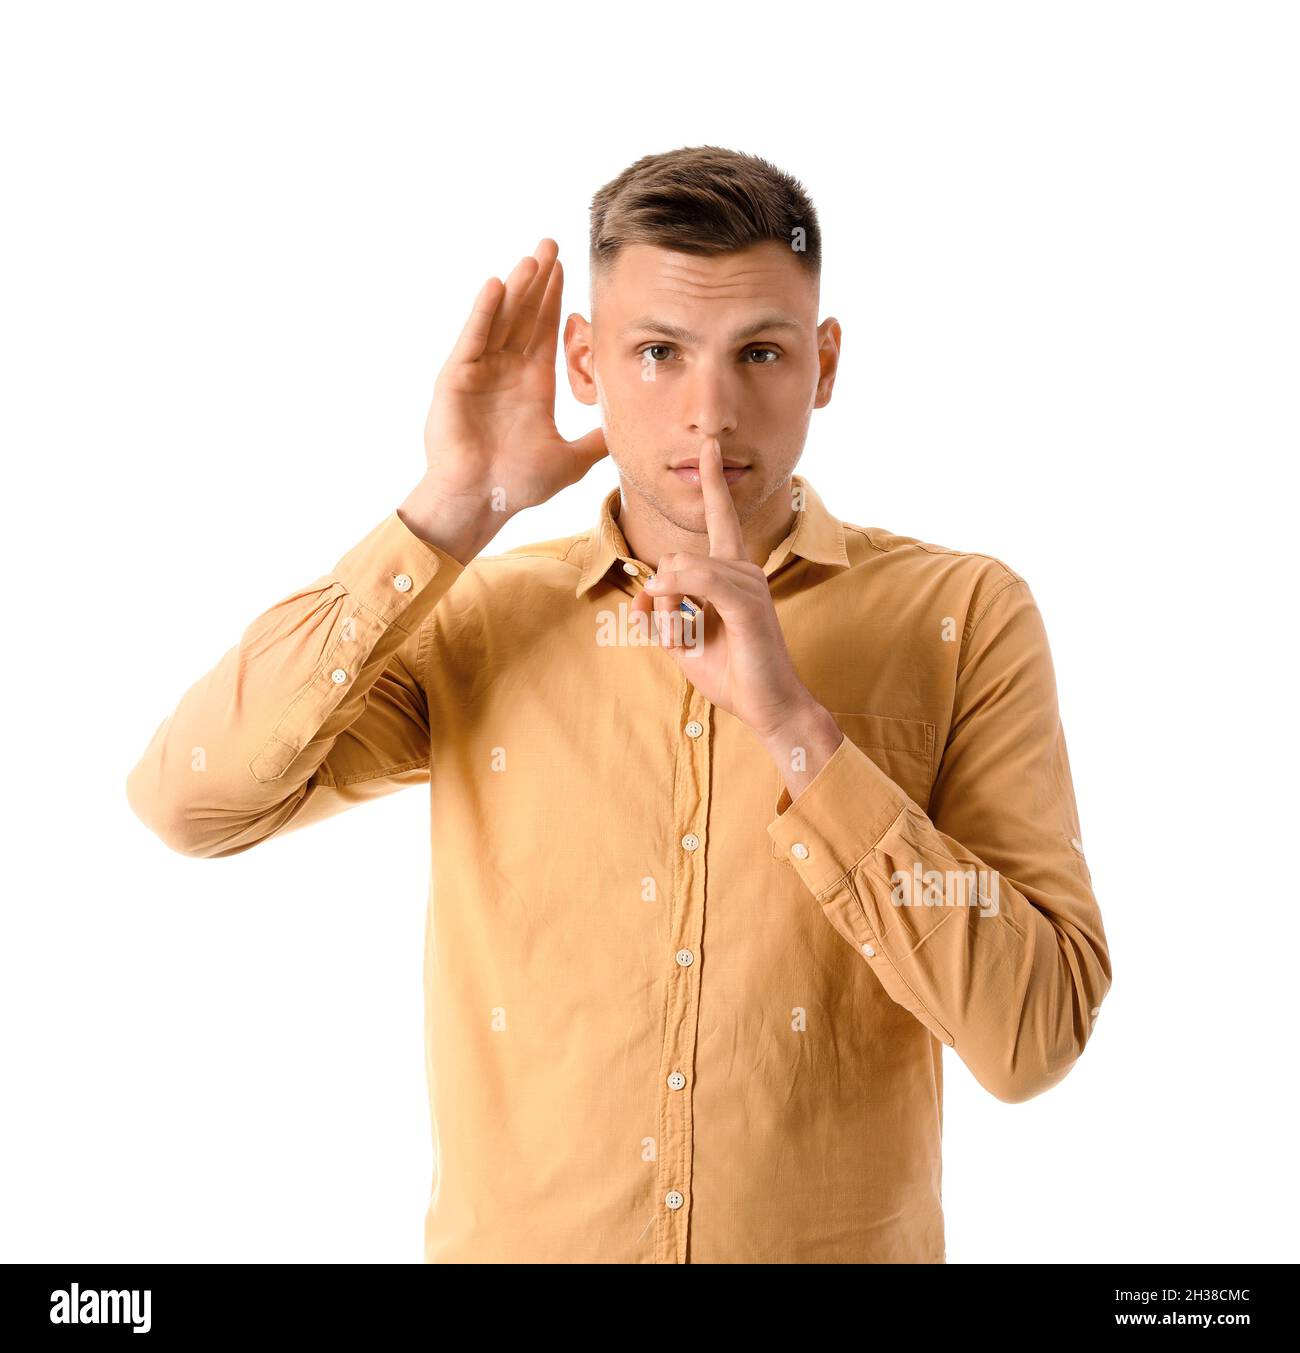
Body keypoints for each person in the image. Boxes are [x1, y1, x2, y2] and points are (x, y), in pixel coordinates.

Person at [126, 145, 1112, 1264]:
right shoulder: (476, 616)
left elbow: (1031, 1041)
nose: (710, 413)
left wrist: (799, 731)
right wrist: (453, 506)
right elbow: (188, 803)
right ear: (584, 362)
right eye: (658, 352)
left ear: (823, 363)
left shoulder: (963, 613)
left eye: (761, 353)